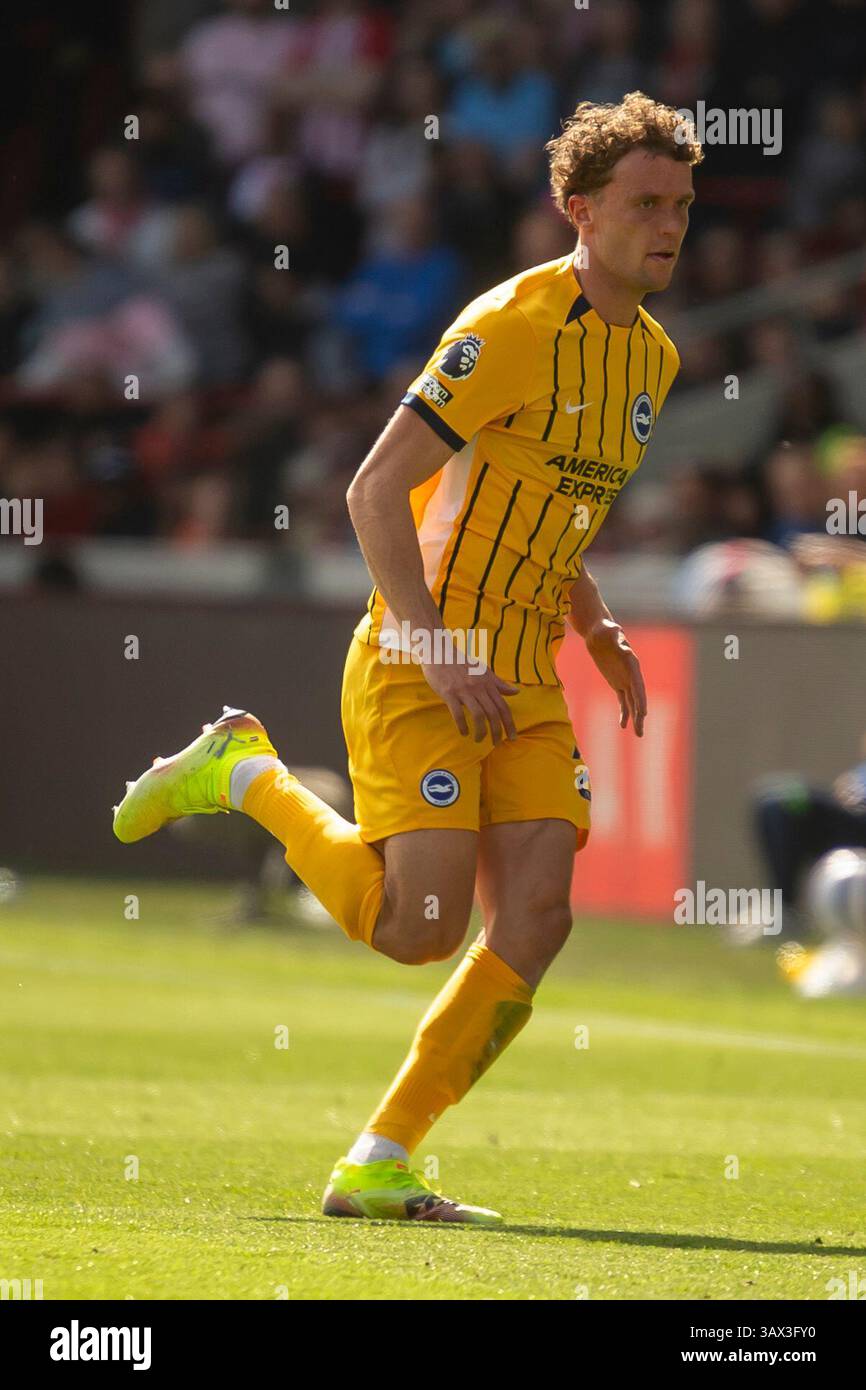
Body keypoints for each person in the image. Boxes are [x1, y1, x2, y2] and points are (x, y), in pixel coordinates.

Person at [113, 92, 700, 1224]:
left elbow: (554, 501)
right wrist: (434, 648)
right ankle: (246, 772)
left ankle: (380, 1155)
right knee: (416, 931)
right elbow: (372, 489)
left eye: (678, 205)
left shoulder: (656, 360)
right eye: (642, 205)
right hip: (420, 652)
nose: (666, 225)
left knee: (536, 917)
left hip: (521, 667)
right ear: (575, 208)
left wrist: (594, 626)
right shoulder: (508, 325)